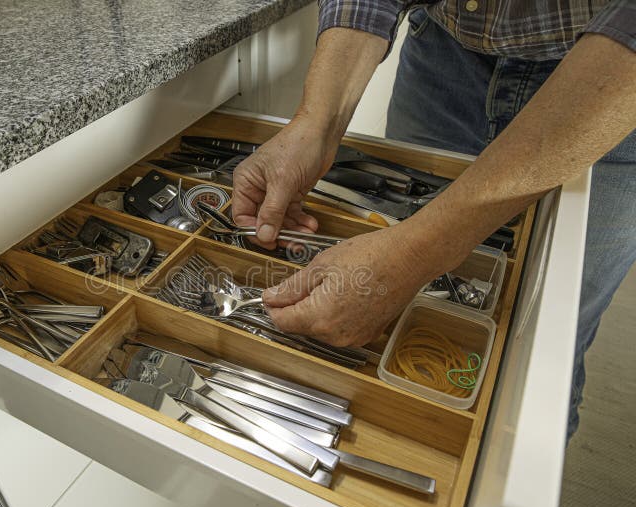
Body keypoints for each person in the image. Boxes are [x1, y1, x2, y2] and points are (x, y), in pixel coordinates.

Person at [232, 0, 635, 439]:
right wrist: (317, 123)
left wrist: (412, 256)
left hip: (611, 88)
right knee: (404, 297)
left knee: (544, 357)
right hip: (445, 56)